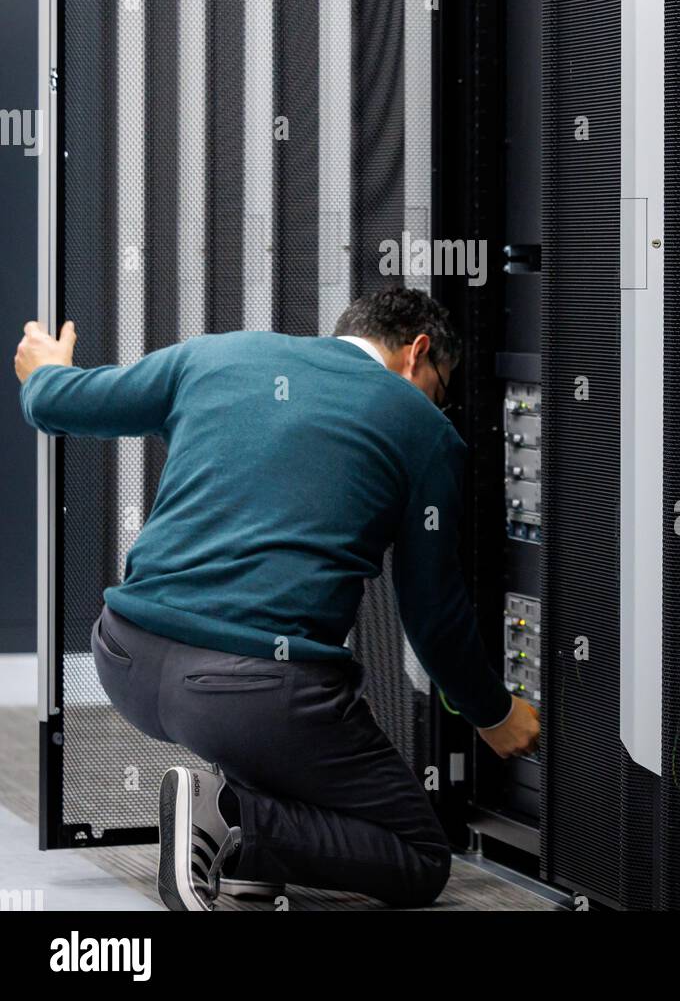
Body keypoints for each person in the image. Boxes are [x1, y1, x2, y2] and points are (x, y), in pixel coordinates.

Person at [16, 286, 540, 911]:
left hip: (123, 656)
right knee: (421, 856)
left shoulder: (215, 357)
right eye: (440, 386)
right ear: (415, 352)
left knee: (274, 732)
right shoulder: (420, 426)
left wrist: (45, 368)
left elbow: (57, 402)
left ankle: (242, 852)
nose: (438, 405)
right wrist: (492, 713)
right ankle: (231, 817)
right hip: (250, 692)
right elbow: (432, 614)